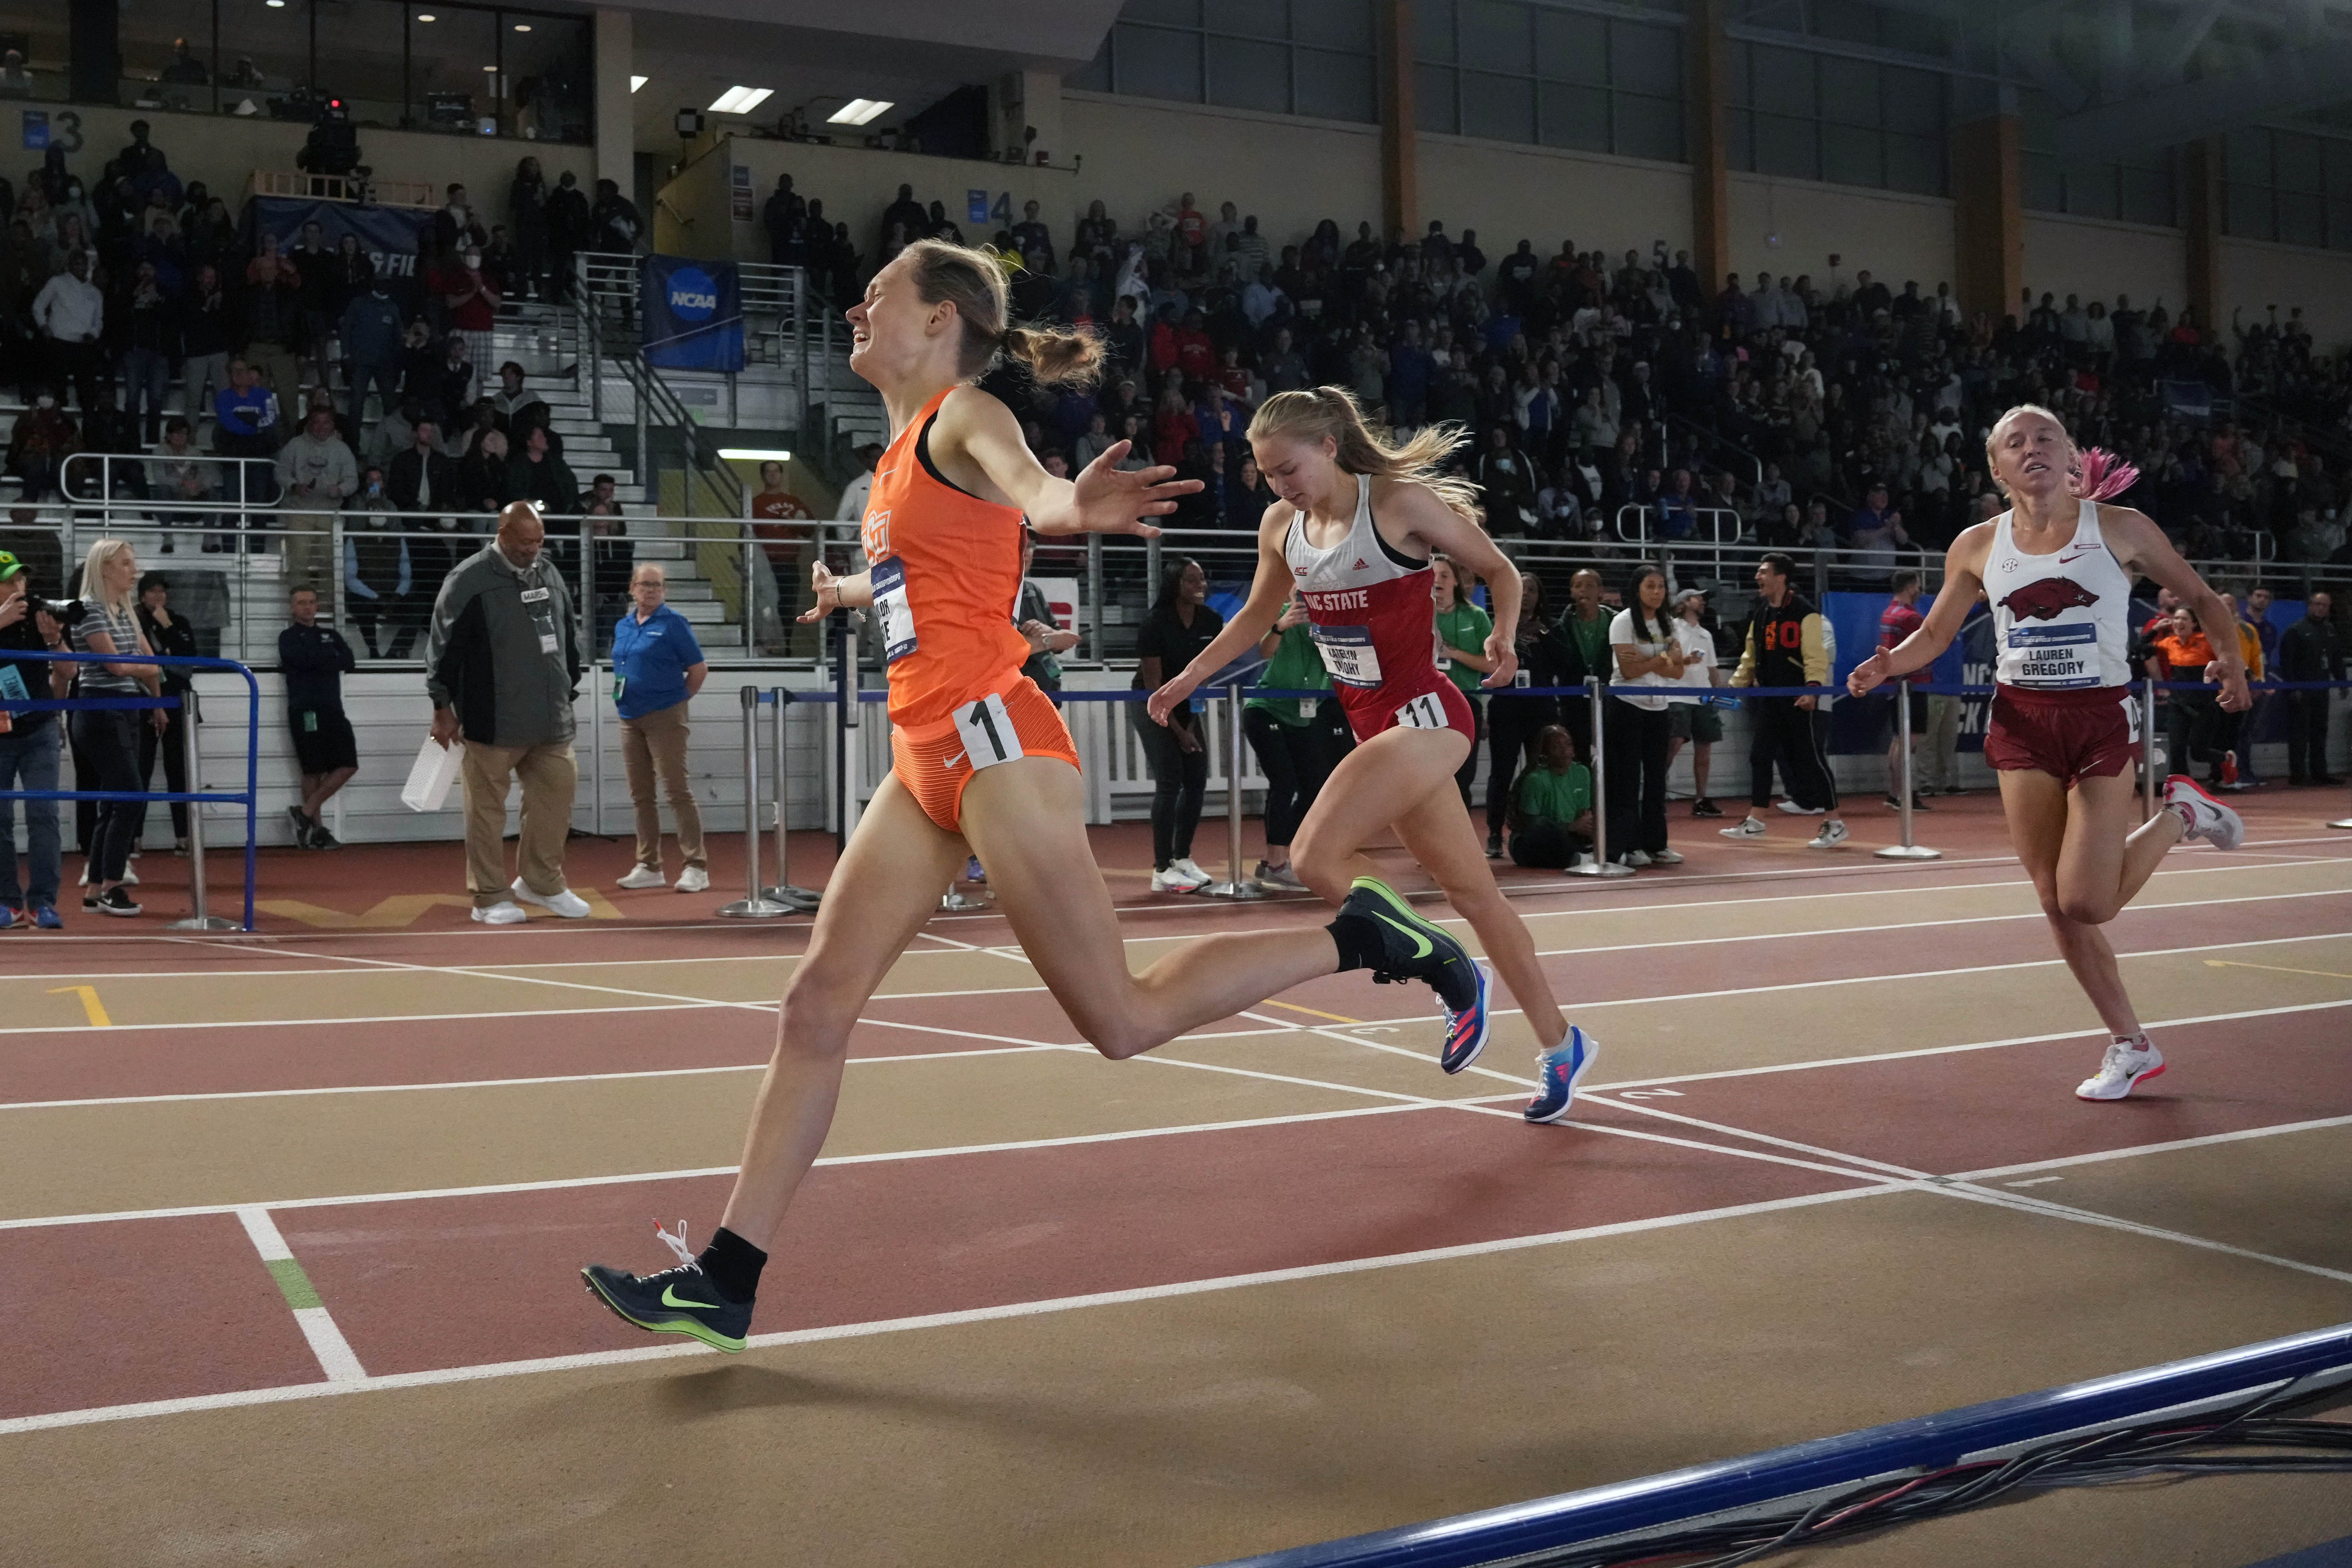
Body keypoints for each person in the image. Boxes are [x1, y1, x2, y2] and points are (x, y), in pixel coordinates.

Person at [582, 241, 1492, 1354]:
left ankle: (1360, 936)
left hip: (998, 743)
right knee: (815, 1002)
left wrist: (1072, 504)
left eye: (883, 295)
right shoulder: (901, 449)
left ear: (941, 322)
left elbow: (1033, 493)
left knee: (1123, 1016)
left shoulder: (966, 413)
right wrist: (848, 586)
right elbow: (939, 565)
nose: (860, 307)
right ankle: (725, 1277)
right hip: (924, 756)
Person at [1149, 385, 1595, 1121]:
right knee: (1474, 894)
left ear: (1328, 447)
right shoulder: (1280, 527)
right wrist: (1189, 680)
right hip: (1371, 728)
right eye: (1266, 475)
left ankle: (1445, 967)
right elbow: (1259, 615)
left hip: (1428, 716)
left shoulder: (1395, 504)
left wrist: (1503, 634)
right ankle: (1561, 1045)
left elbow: (1501, 570)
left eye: (1289, 469)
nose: (1279, 486)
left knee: (1316, 856)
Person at [1849, 408, 2249, 1102]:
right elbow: (1939, 634)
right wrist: (1889, 665)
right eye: (2015, 442)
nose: (2031, 448)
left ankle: (2182, 814)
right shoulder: (1978, 544)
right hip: (2022, 723)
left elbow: (2205, 599)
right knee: (2054, 903)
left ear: (2070, 458)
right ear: (1997, 471)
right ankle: (2133, 1045)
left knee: (2087, 901)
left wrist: (2231, 666)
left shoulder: (2120, 528)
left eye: (2045, 438)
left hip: (2098, 719)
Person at [424, 502, 587, 926]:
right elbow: (442, 648)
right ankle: (489, 895)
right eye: (523, 544)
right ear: (502, 534)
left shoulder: (548, 571)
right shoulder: (468, 580)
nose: (532, 550)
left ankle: (542, 882)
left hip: (551, 717)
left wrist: (571, 680)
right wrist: (442, 707)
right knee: (486, 810)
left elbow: (568, 628)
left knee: (557, 794)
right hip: (491, 719)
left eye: (538, 542)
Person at [1719, 553, 1849, 849]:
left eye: (1763, 572)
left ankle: (1836, 823)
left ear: (1782, 578)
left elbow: (1816, 657)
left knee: (1811, 760)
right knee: (1760, 756)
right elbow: (1750, 657)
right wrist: (1733, 686)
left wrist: (1812, 690)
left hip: (1799, 701)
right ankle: (1755, 821)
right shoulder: (1761, 614)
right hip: (1770, 700)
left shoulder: (1807, 613)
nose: (1758, 577)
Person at [67, 541, 164, 916]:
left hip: (126, 708)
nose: (133, 571)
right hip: (100, 708)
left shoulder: (124, 611)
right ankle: (111, 884)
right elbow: (116, 666)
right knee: (129, 795)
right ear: (105, 568)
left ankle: (96, 888)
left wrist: (141, 670)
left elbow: (144, 660)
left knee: (116, 799)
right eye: (126, 564)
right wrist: (142, 668)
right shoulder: (89, 610)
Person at [611, 563, 710, 893]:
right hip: (630, 717)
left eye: (658, 585)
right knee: (641, 795)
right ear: (633, 588)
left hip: (665, 716)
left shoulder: (674, 624)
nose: (651, 590)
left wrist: (678, 701)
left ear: (664, 590)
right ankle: (649, 865)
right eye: (645, 584)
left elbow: (698, 670)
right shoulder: (624, 626)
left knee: (676, 790)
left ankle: (696, 866)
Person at [1131, 557, 1221, 891]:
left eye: (1202, 580)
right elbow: (1155, 688)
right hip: (1152, 704)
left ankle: (1183, 859)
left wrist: (1192, 723)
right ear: (1175, 585)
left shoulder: (1211, 621)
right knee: (1170, 782)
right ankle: (1162, 868)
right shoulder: (1154, 623)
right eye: (1192, 581)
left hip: (1188, 708)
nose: (1201, 587)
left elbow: (1207, 675)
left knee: (1197, 780)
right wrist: (1180, 733)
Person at [1242, 592, 1342, 891]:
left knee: (1316, 785)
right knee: (1285, 783)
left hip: (1305, 713)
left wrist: (1327, 637)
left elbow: (1341, 664)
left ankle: (1289, 853)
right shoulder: (1278, 611)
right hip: (1267, 709)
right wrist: (1281, 626)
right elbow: (1264, 652)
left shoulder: (1332, 622)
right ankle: (1275, 862)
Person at [0, 551, 73, 928]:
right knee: (0, 818)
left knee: (44, 816)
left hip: (40, 727)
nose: (19, 589)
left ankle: (44, 902)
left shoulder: (38, 617)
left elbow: (69, 670)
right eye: (10, 581)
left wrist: (55, 638)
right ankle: (8, 904)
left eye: (22, 581)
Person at [1482, 569, 1571, 857]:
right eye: (1522, 589)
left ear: (1540, 596)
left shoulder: (1552, 628)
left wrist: (1543, 637)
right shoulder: (1500, 626)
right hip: (1506, 708)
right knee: (1502, 772)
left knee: (1539, 772)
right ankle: (1495, 834)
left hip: (1541, 709)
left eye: (1532, 590)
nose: (1528, 594)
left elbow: (1566, 665)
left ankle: (1537, 830)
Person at [1605, 563, 1687, 867]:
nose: (1657, 592)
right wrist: (1663, 658)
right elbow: (1628, 671)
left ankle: (1657, 844)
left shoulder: (1670, 624)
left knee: (1656, 779)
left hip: (1659, 708)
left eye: (1661, 587)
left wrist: (1650, 660)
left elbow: (1678, 671)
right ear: (1637, 590)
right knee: (1627, 780)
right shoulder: (1623, 622)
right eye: (1650, 586)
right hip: (1627, 706)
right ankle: (1628, 844)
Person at [279, 586, 357, 849]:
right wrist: (326, 660)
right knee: (313, 769)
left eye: (312, 602)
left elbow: (349, 660)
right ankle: (318, 831)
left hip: (333, 708)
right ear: (292, 607)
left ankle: (306, 811)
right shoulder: (288, 637)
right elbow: (303, 662)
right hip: (306, 710)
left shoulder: (330, 634)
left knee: (348, 764)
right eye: (301, 603)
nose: (307, 607)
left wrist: (319, 661)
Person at [133, 574, 196, 852]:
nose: (159, 597)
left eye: (163, 592)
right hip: (142, 700)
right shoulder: (132, 621)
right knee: (139, 769)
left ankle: (183, 836)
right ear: (142, 595)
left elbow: (187, 658)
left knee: (178, 769)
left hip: (177, 699)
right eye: (153, 592)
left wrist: (167, 627)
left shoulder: (178, 622)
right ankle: (133, 836)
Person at [276, 405, 357, 614]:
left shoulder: (342, 450)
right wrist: (295, 486)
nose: (321, 427)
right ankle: (299, 607)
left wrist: (339, 490)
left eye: (326, 422)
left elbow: (353, 481)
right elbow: (280, 472)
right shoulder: (295, 445)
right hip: (300, 512)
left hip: (330, 513)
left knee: (329, 563)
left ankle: (327, 608)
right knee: (298, 562)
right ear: (310, 423)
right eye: (316, 422)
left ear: (333, 425)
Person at [1429, 555, 1493, 809]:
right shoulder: (1414, 612)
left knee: (1462, 776)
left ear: (1456, 581)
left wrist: (1454, 653)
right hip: (1426, 704)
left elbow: (1491, 665)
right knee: (1428, 777)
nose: (1437, 581)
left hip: (1466, 702)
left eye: (1445, 575)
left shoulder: (1475, 616)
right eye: (1432, 575)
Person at [1870, 569, 1934, 812]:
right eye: (1917, 585)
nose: (1919, 590)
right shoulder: (1910, 617)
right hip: (1911, 684)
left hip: (1894, 684)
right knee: (1909, 740)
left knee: (1899, 740)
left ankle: (1895, 793)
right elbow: (1924, 650)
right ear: (1910, 587)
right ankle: (1904, 794)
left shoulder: (1889, 613)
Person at [1663, 586, 1724, 818]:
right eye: (1698, 598)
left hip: (1702, 696)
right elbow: (1665, 659)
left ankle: (1701, 799)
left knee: (1704, 748)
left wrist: (1717, 692)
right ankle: (1655, 790)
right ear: (1685, 602)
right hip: (1676, 693)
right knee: (1674, 742)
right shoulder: (1670, 628)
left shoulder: (1705, 635)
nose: (1702, 602)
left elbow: (1712, 668)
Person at [2279, 590, 2343, 786]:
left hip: (2321, 689)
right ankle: (2297, 775)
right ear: (2310, 605)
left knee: (2319, 731)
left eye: (2325, 605)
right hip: (2301, 690)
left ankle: (2319, 773)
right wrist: (2292, 688)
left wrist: (2341, 682)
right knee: (2299, 732)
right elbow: (2286, 662)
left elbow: (2336, 659)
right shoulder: (2296, 630)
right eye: (2317, 604)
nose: (2321, 608)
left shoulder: (2330, 630)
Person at [1507, 723, 1595, 868]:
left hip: (1570, 836)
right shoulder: (1536, 780)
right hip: (1532, 842)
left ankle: (1590, 856)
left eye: (1568, 745)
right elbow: (1531, 826)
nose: (1565, 751)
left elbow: (1583, 815)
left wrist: (1589, 826)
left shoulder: (1582, 773)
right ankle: (1582, 858)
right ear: (1545, 754)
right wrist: (1570, 827)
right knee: (1543, 827)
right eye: (1557, 747)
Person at [748, 459, 814, 653]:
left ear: (782, 475)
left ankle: (785, 647)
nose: (773, 475)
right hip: (765, 565)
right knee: (767, 607)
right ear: (763, 476)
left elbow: (811, 530)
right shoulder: (756, 503)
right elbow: (746, 534)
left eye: (776, 471)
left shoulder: (794, 502)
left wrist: (795, 523)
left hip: (789, 563)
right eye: (768, 472)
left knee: (788, 607)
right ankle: (768, 647)